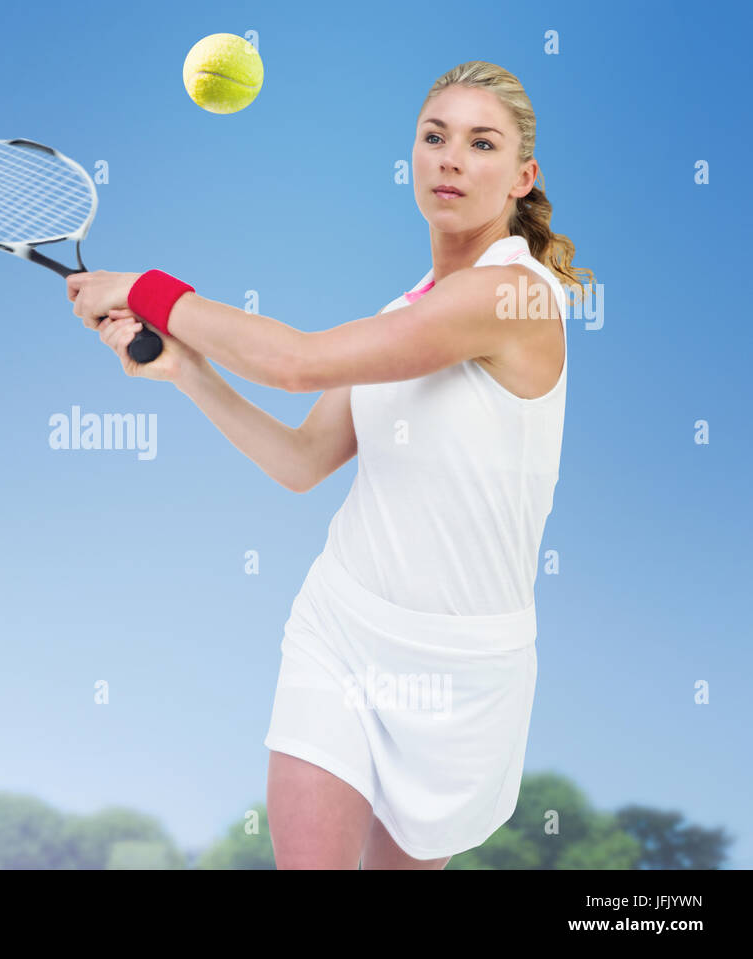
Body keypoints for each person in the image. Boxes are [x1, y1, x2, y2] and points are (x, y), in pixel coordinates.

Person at [66, 60, 596, 869]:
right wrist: (188, 372)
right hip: (341, 629)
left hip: (463, 673)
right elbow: (303, 458)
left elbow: (296, 362)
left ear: (524, 177)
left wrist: (147, 288)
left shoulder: (517, 298)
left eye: (481, 143)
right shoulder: (400, 316)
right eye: (433, 137)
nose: (450, 158)